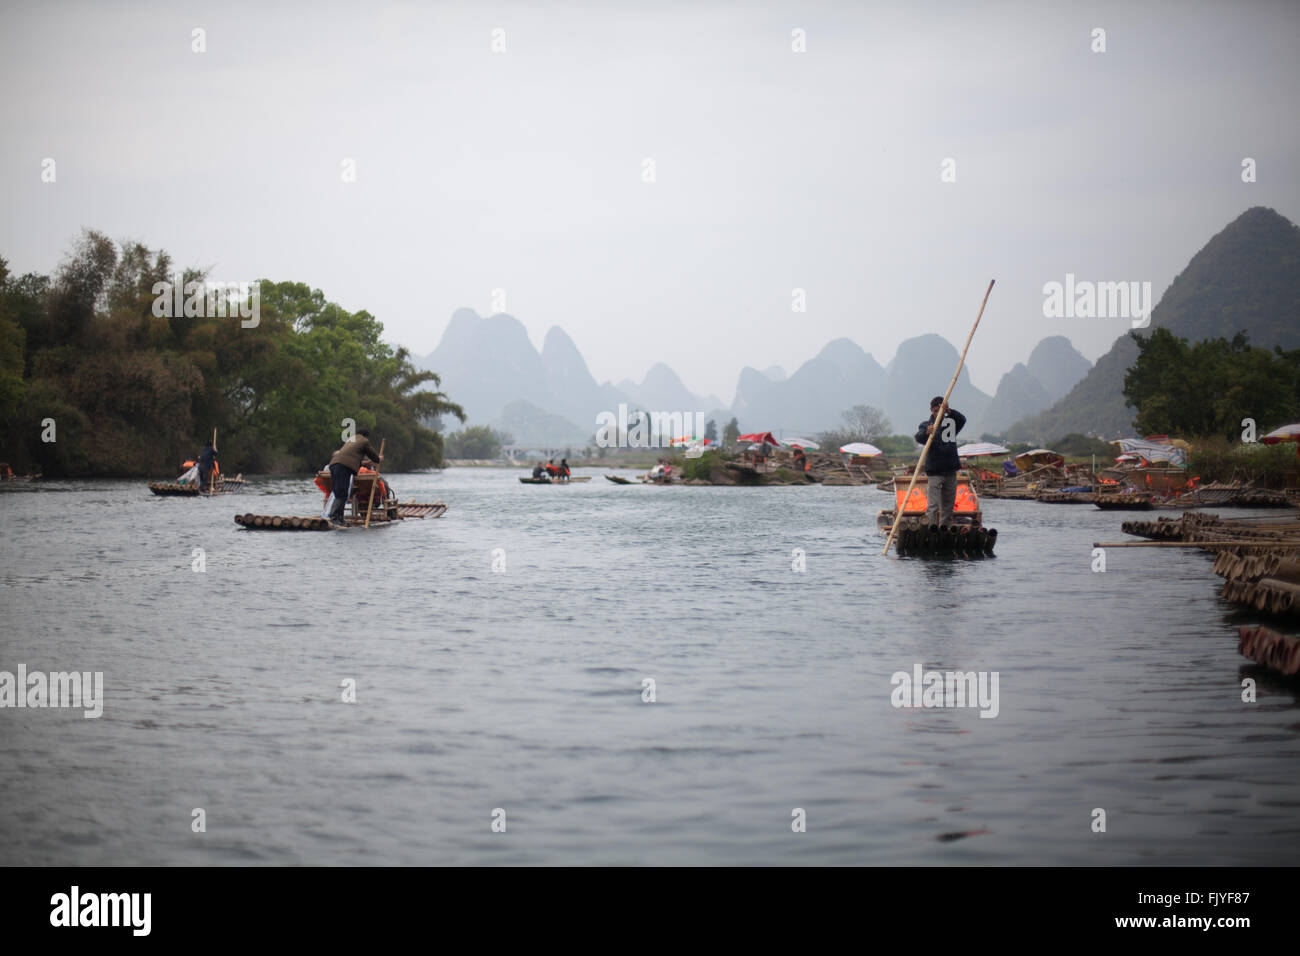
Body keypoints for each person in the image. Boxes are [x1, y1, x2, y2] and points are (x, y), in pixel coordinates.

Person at [914, 396, 966, 524]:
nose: (939, 413)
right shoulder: (926, 425)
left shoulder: (951, 424)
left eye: (941, 410)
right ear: (932, 410)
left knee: (948, 506)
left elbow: (962, 419)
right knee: (933, 506)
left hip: (950, 470)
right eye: (936, 410)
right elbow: (918, 437)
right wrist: (927, 432)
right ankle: (929, 530)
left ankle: (944, 530)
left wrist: (949, 411)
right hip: (935, 471)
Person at [326, 429, 382, 525]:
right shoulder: (364, 441)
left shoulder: (351, 440)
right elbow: (373, 456)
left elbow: (353, 457)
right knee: (342, 493)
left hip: (334, 465)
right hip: (343, 467)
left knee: (339, 492)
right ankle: (334, 518)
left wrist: (368, 462)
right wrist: (378, 459)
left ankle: (339, 518)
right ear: (366, 436)